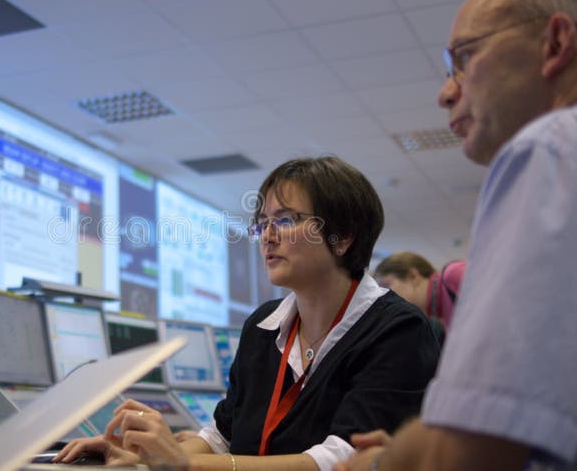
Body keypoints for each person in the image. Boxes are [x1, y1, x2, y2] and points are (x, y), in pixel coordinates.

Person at [335, 0, 577, 470]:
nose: (446, 93)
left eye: (465, 58)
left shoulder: (549, 148)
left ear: (555, 44)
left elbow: (472, 450)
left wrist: (379, 464)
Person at [55, 156, 440, 470]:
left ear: (342, 238)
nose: (267, 236)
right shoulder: (262, 325)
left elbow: (339, 461)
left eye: (285, 220)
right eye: (262, 223)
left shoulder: (397, 330)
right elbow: (222, 436)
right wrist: (144, 456)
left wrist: (183, 464)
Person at [374, 252, 465, 332]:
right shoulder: (442, 319)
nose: (385, 297)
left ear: (412, 276)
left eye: (386, 286)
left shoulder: (453, 274)